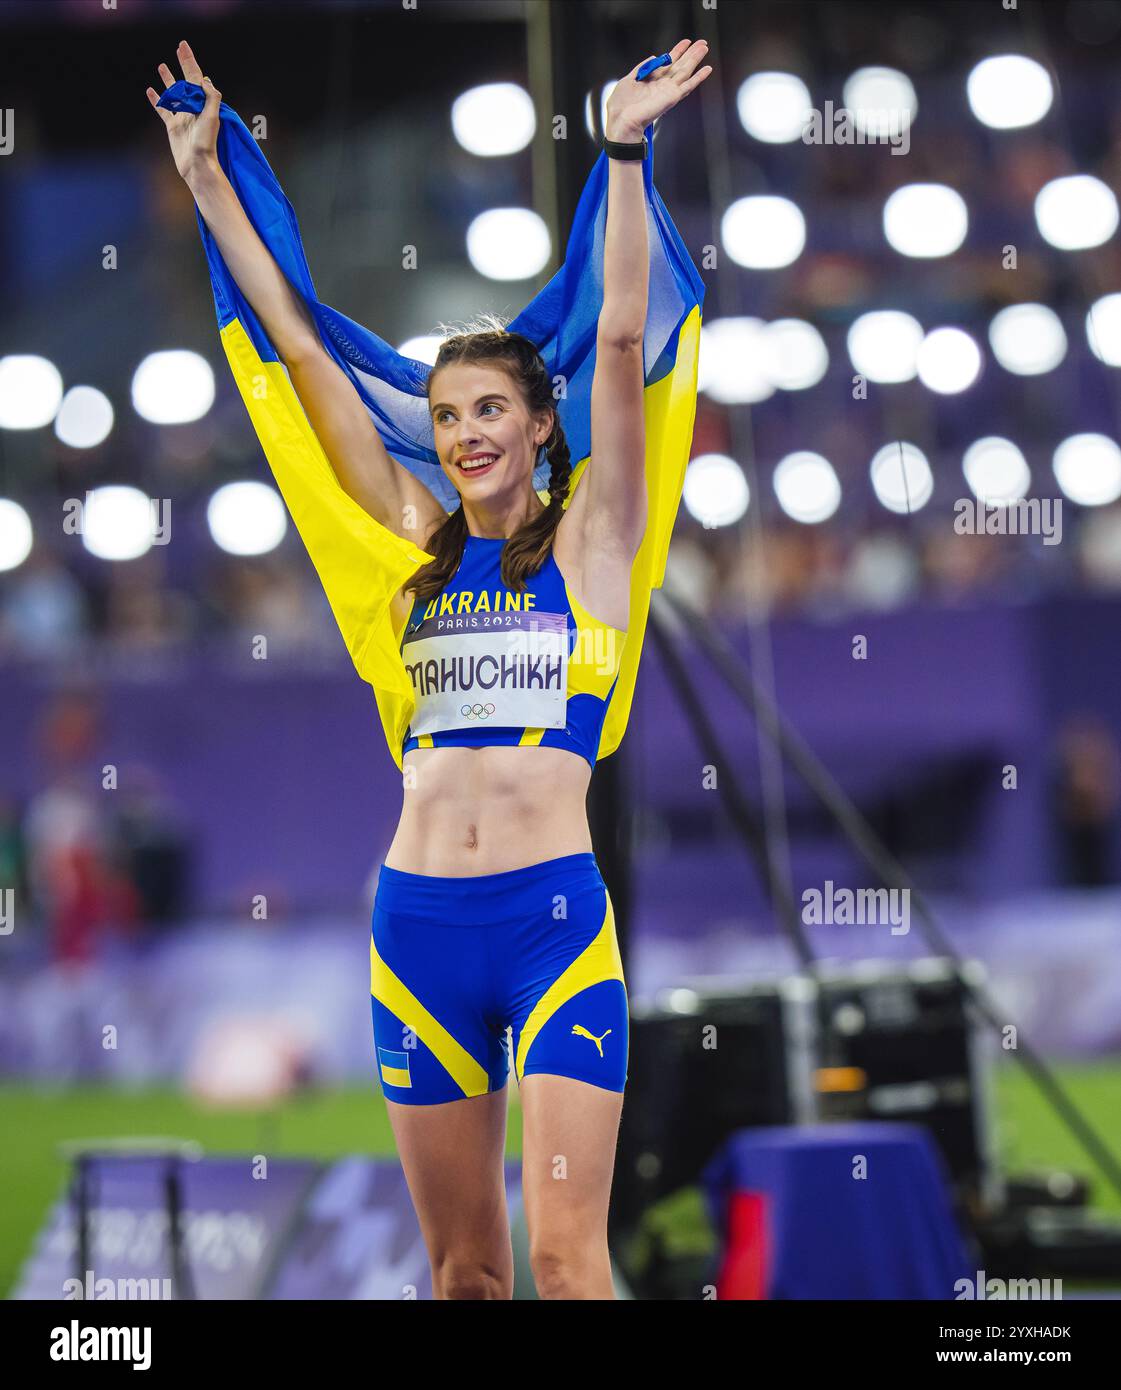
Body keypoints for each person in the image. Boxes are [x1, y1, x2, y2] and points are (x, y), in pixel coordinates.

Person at [148, 35, 711, 1300]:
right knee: (464, 1274)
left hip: (552, 930)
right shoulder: (409, 548)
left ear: (541, 424)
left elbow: (621, 338)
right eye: (446, 415)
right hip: (416, 930)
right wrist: (207, 181)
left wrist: (622, 150)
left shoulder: (595, 541)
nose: (463, 434)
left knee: (563, 1260)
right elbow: (302, 353)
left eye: (489, 410)